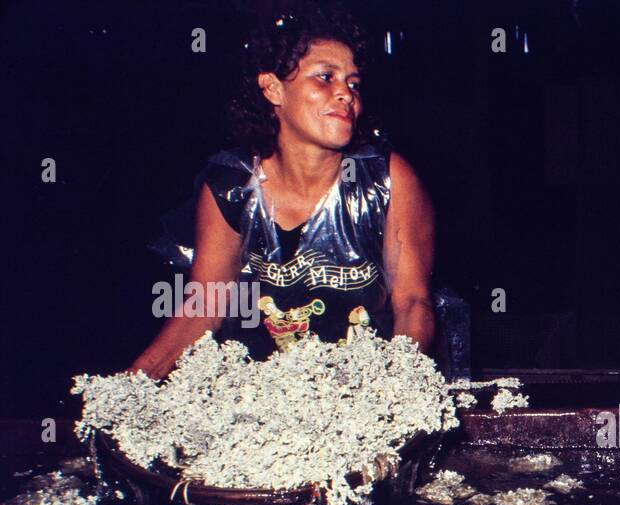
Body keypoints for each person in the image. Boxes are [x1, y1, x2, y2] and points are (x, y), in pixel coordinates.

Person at [129, 6, 435, 377]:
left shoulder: (387, 178)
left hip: (358, 397)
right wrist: (130, 388)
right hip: (255, 397)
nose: (345, 94)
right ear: (273, 88)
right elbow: (203, 309)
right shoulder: (232, 186)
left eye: (353, 84)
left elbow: (412, 303)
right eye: (325, 77)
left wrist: (393, 396)